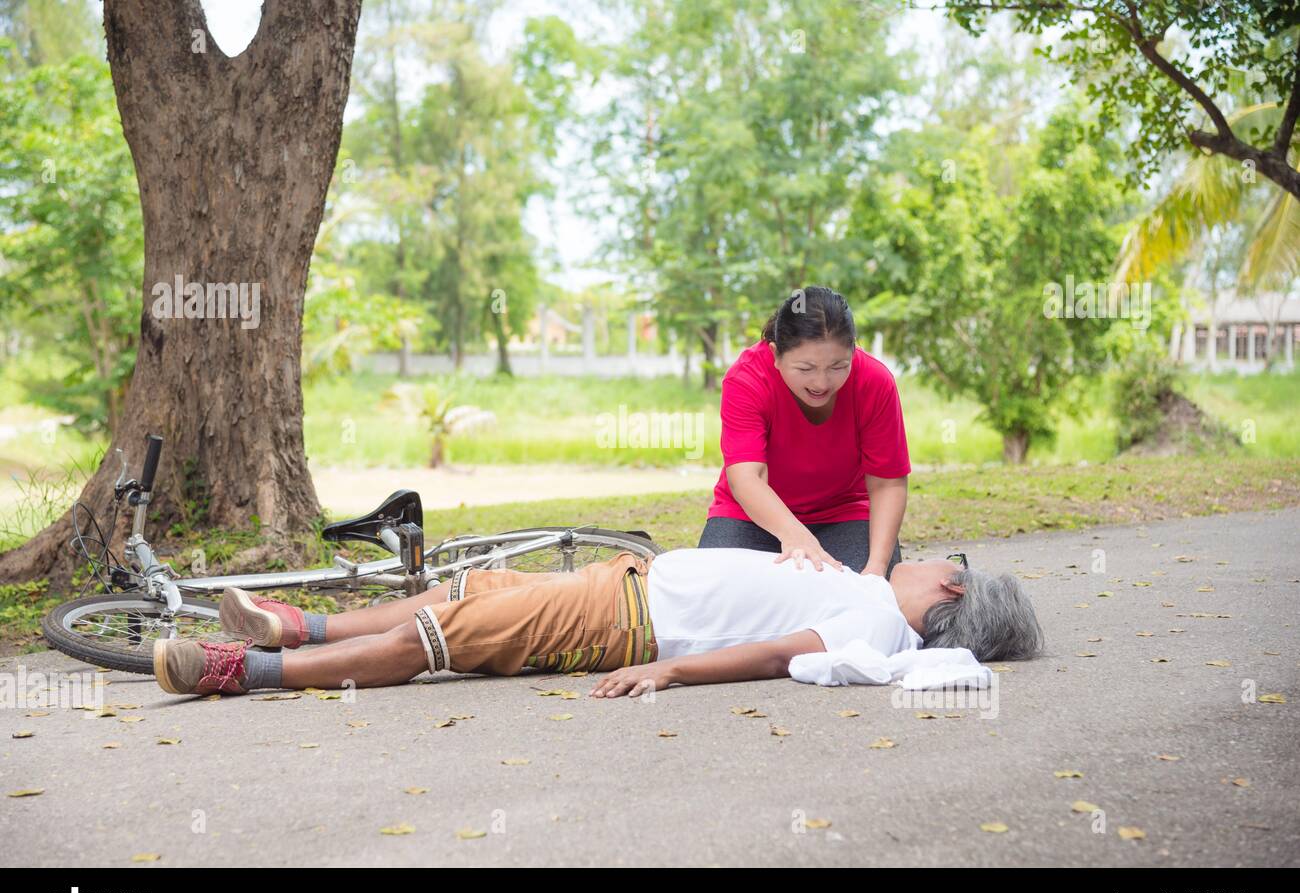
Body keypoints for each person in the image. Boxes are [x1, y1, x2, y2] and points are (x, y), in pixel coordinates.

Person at [153, 547, 1044, 699]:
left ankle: (240, 671)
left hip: (622, 620)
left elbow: (781, 655)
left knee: (446, 639)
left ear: (952, 591)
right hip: (624, 579)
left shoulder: (880, 628)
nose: (925, 557)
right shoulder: (865, 588)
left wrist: (670, 672)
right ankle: (297, 624)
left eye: (941, 563)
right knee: (458, 594)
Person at [700, 286, 911, 576]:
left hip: (844, 514)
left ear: (853, 349)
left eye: (838, 366)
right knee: (715, 591)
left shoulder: (875, 381)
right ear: (776, 354)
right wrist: (797, 536)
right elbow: (748, 478)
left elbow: (887, 483)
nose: (821, 383)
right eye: (805, 368)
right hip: (751, 516)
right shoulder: (747, 378)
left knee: (861, 597)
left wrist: (876, 569)